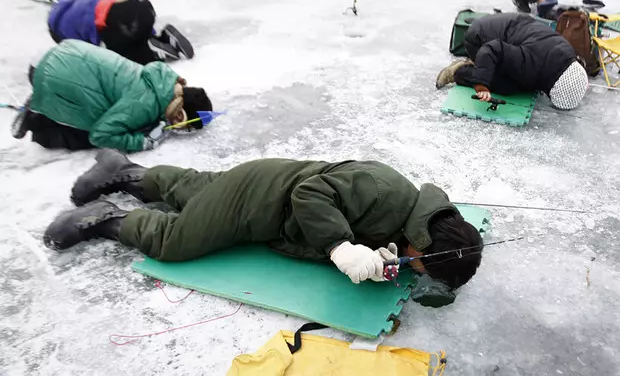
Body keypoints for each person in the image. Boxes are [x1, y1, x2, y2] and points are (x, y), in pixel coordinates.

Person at [43, 149, 484, 289]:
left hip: (265, 182)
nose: (413, 270)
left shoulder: (405, 215)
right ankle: (103, 217)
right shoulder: (385, 192)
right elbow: (310, 194)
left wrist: (373, 247)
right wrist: (340, 247)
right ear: (423, 243)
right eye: (420, 266)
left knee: (192, 188)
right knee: (175, 240)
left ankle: (123, 171)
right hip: (260, 201)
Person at [11, 40, 212, 152]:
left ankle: (43, 105)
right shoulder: (146, 104)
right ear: (180, 114)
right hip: (49, 77)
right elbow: (100, 135)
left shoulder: (161, 81)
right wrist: (142, 142)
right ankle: (37, 121)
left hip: (62, 54)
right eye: (184, 126)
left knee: (111, 110)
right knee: (91, 136)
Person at [436, 13, 588, 111]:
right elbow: (491, 49)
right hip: (479, 38)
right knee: (508, 86)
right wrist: (481, 84)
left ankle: (478, 65)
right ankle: (460, 71)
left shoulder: (565, 53)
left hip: (505, 29)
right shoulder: (530, 62)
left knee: (527, 83)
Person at [47, 0, 193, 65]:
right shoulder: (82, 1)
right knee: (137, 32)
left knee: (125, 57)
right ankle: (165, 36)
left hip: (118, 14)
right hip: (139, 0)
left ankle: (151, 52)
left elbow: (96, 49)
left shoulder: (66, 27)